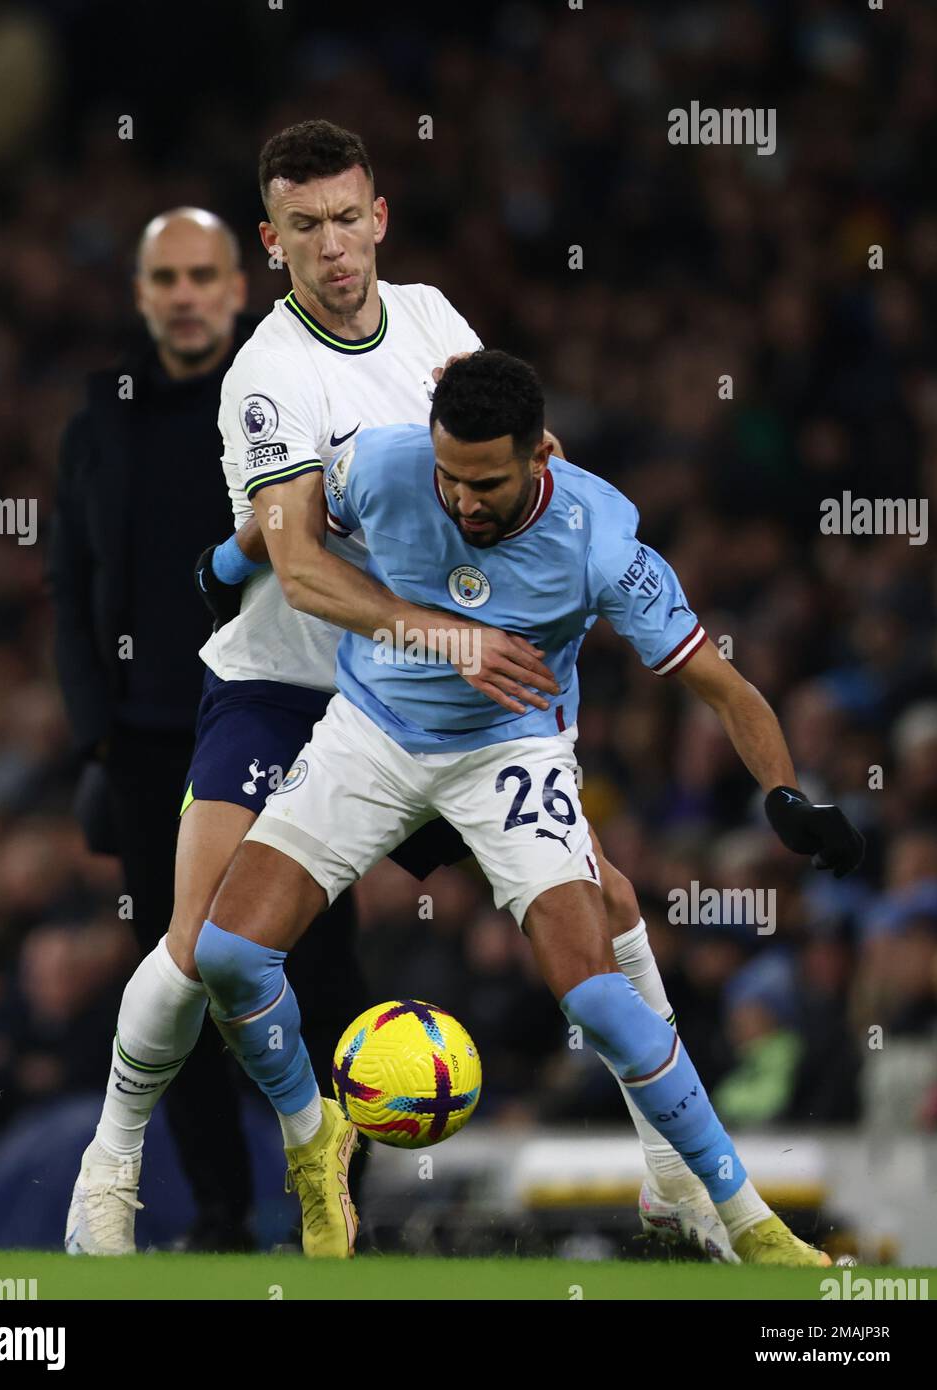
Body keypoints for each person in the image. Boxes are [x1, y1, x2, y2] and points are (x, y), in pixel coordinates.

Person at [193, 350, 864, 1265]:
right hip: (370, 734)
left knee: (594, 991)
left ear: (541, 452)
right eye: (450, 477)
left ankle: (749, 1220)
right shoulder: (386, 463)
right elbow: (291, 522)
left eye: (487, 483)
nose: (463, 501)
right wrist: (225, 560)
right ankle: (316, 1144)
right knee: (228, 956)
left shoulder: (601, 543)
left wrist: (786, 793)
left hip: (511, 751)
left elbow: (723, 685)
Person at [59, 123, 559, 1257]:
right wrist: (452, 638)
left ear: (378, 216)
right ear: (270, 239)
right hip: (287, 688)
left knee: (591, 902)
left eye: (348, 219)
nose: (333, 248)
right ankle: (115, 1164)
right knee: (199, 945)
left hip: (424, 697)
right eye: (306, 227)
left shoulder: (434, 321)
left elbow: (526, 456)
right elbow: (296, 570)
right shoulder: (268, 375)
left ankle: (688, 1185)